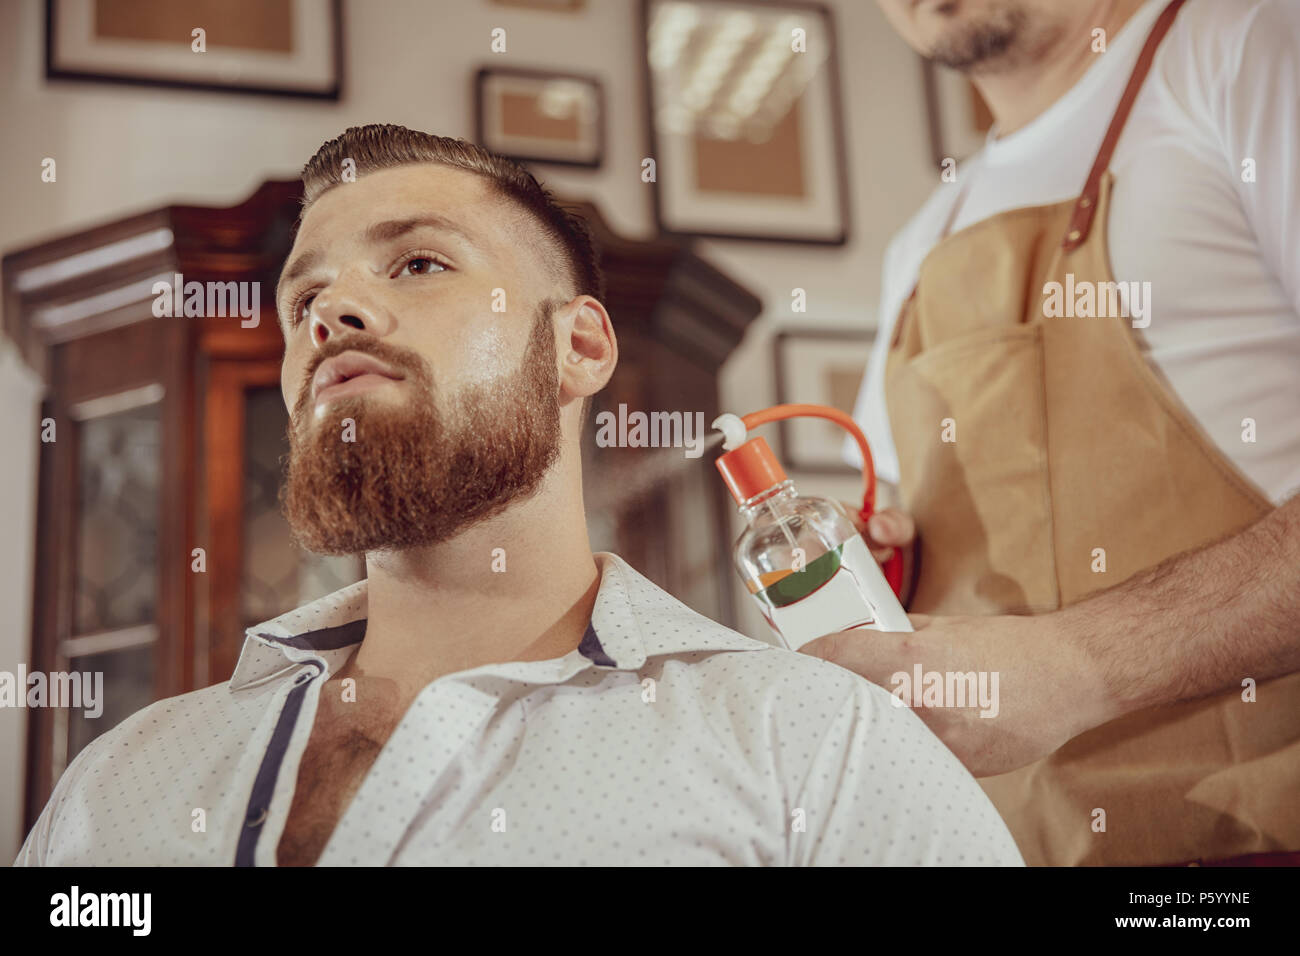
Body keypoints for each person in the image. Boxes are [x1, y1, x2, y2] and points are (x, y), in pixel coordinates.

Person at [15, 125, 1023, 867]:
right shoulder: (116, 783)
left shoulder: (817, 743)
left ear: (578, 345)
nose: (331, 316)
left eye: (418, 262)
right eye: (303, 300)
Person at [821, 0, 1300, 866]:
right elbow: (901, 521)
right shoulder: (918, 247)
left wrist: (1078, 666)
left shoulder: (1247, 47)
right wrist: (880, 567)